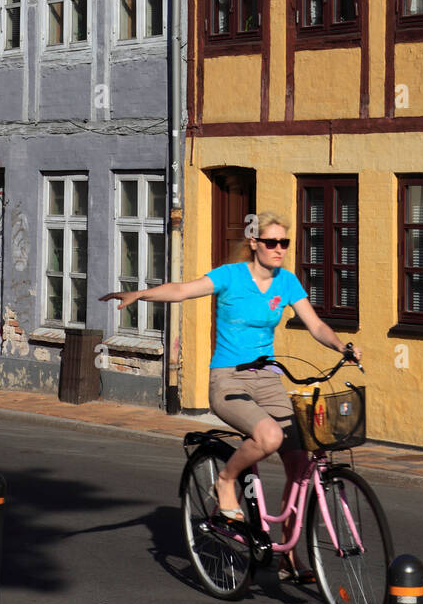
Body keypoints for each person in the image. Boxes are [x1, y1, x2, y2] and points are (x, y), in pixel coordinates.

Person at [100, 210, 361, 582]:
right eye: (271, 242)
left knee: (301, 466)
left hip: (269, 379)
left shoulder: (286, 283)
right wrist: (141, 294)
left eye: (284, 243)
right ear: (254, 243)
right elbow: (183, 290)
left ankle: (288, 555)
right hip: (229, 381)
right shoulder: (230, 276)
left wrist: (341, 347)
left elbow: (315, 323)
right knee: (268, 436)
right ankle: (225, 480)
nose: (279, 249)